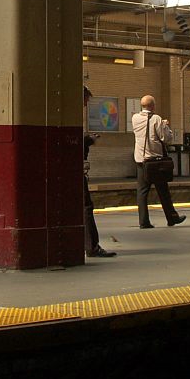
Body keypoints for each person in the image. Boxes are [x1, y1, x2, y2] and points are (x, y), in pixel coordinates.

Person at [132, 94, 186, 228]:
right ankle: (172, 217)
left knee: (142, 192)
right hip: (155, 162)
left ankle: (144, 221)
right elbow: (166, 138)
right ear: (153, 106)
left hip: (140, 160)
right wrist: (165, 126)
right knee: (163, 191)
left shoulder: (135, 118)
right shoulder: (156, 119)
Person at [83, 86, 116, 258]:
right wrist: (89, 140)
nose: (86, 105)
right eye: (85, 101)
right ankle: (92, 246)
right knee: (86, 207)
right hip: (74, 171)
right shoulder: (70, 114)